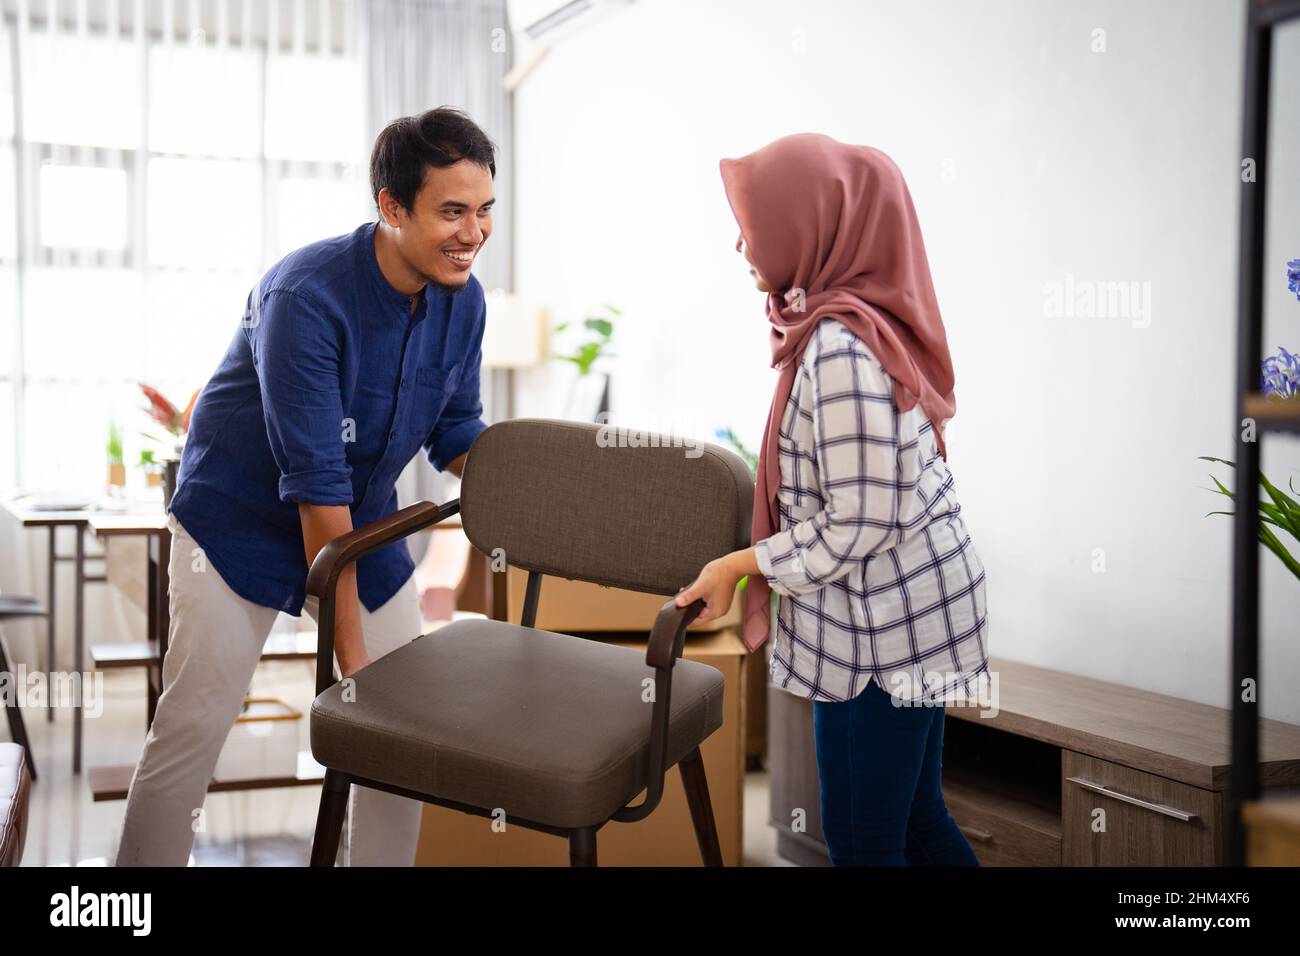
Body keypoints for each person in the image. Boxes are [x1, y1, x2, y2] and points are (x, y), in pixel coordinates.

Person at [115, 107, 497, 867]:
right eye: (452, 211)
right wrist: (349, 667)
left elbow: (456, 436)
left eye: (485, 210)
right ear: (391, 208)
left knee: (399, 740)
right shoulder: (305, 298)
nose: (474, 233)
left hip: (364, 525)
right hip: (240, 527)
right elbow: (318, 486)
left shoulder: (465, 300)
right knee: (193, 730)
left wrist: (539, 485)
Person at [675, 133, 990, 867]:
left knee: (864, 840)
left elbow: (862, 518)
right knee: (915, 820)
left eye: (754, 225)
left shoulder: (840, 347)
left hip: (887, 633)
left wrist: (739, 564)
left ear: (812, 226)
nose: (740, 244)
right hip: (904, 616)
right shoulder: (847, 323)